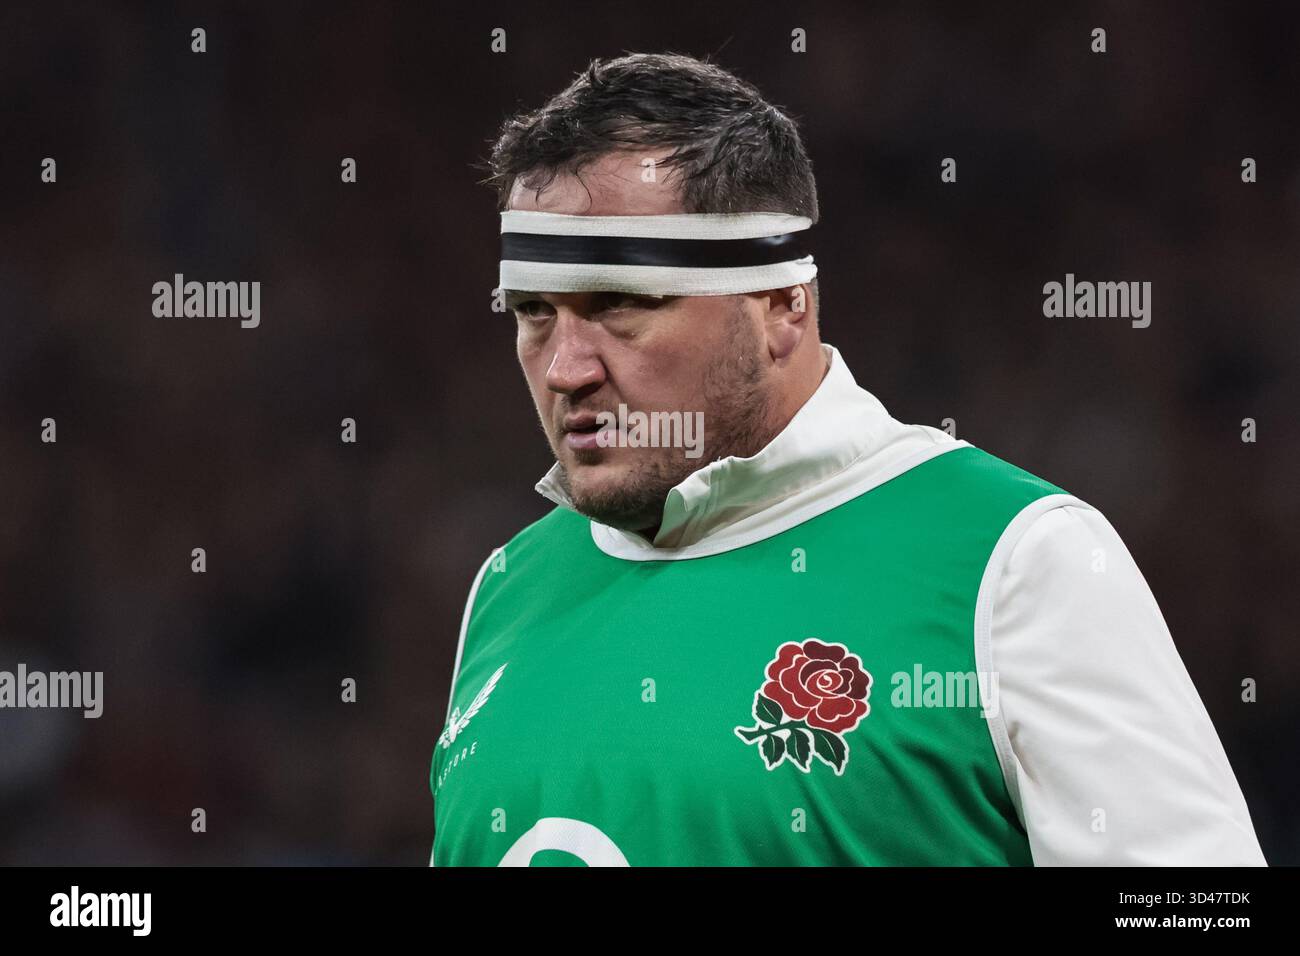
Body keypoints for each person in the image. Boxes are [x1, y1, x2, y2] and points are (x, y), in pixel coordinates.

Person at [430, 52, 1266, 866]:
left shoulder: (1012, 561)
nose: (565, 366)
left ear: (781, 306)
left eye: (619, 305)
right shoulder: (508, 588)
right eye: (534, 311)